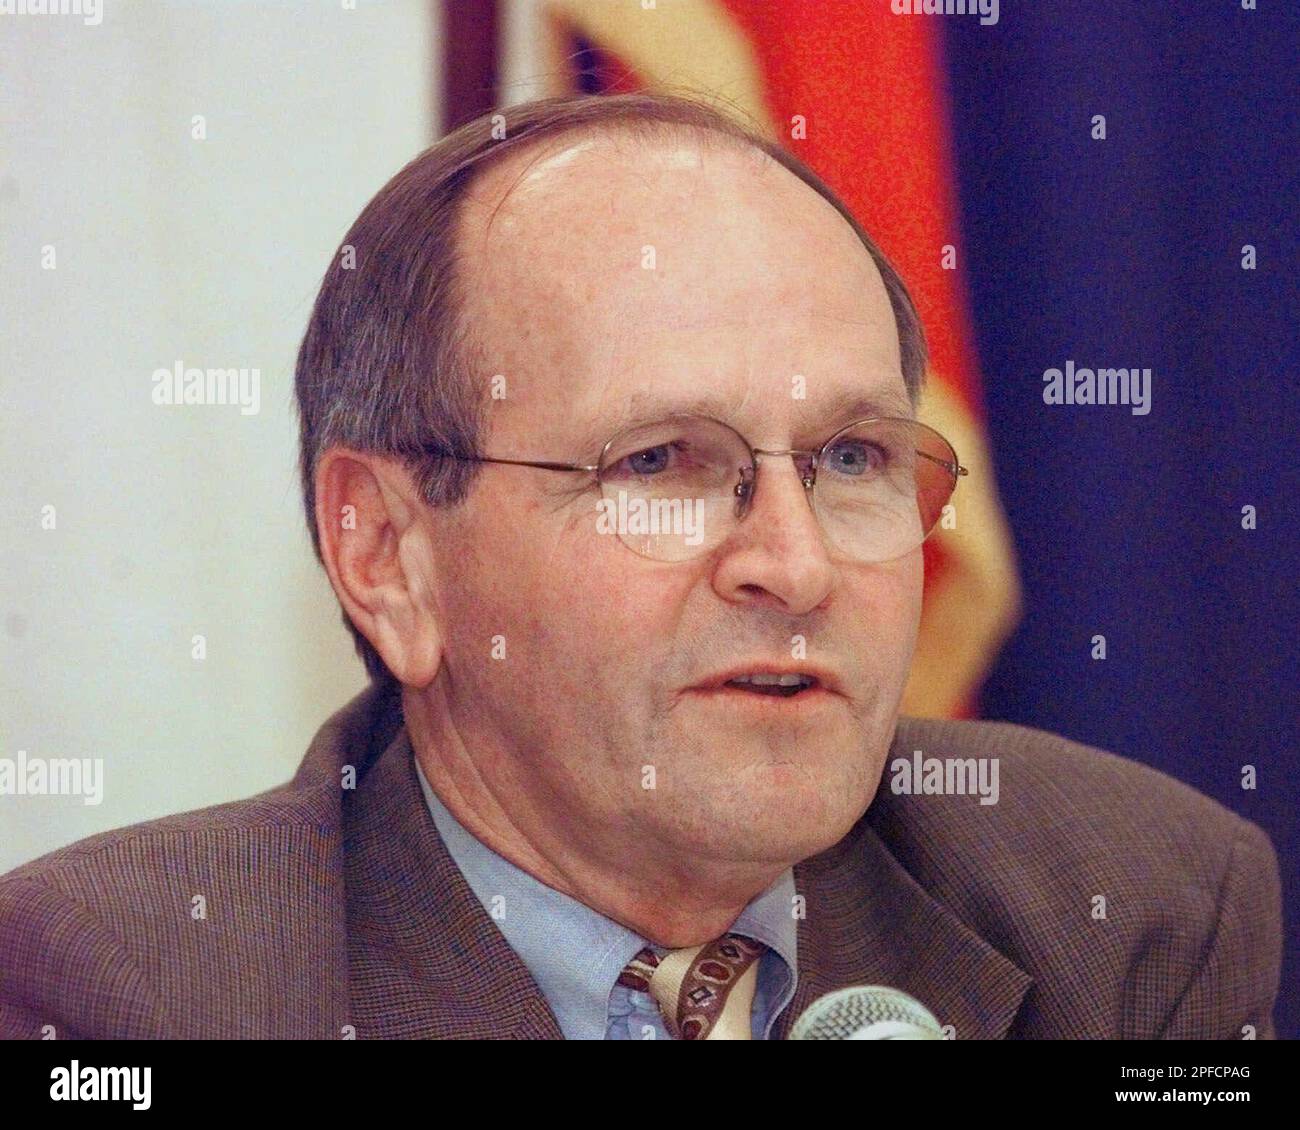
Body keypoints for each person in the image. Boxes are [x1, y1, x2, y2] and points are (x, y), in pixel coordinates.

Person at [0, 93, 1281, 1040]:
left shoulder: (1133, 909)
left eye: (848, 458)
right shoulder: (133, 993)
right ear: (389, 553)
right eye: (662, 462)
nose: (794, 564)